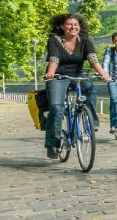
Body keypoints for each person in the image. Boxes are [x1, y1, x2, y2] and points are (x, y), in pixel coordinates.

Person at [43, 13, 111, 159]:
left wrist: (103, 74)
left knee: (90, 89)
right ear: (62, 26)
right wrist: (50, 73)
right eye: (69, 24)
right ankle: (53, 144)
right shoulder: (54, 40)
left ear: (79, 27)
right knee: (56, 108)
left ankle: (90, 121)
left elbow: (93, 60)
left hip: (77, 75)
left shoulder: (85, 41)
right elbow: (54, 58)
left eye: (76, 25)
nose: (73, 27)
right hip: (58, 76)